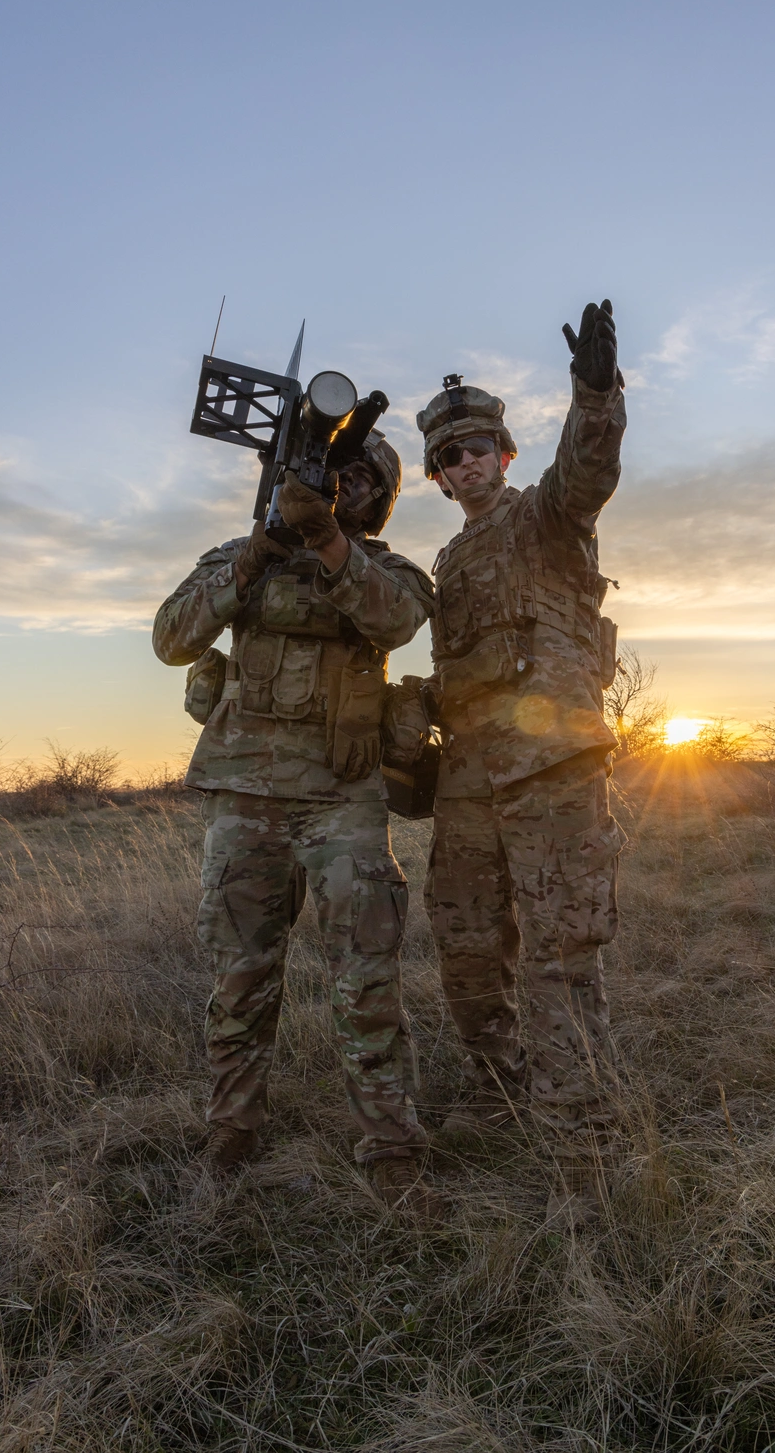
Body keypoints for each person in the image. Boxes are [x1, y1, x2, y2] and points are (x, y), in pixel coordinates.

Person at [153, 432, 441, 1220]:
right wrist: (250, 562)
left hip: (343, 797)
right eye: (326, 476)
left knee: (365, 977)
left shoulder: (387, 568)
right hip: (244, 793)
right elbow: (171, 637)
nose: (337, 487)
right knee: (240, 978)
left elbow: (399, 624)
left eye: (356, 480)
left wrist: (327, 540)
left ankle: (391, 1150)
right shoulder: (241, 552)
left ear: (375, 498)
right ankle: (231, 1134)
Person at [416, 300, 627, 1222]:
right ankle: (504, 1087)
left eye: (479, 448)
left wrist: (594, 394)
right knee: (465, 948)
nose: (466, 463)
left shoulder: (547, 513)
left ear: (505, 451)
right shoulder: (448, 560)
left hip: (550, 769)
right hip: (468, 779)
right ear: (437, 474)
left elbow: (588, 472)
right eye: (449, 456)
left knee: (559, 959)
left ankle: (580, 1159)